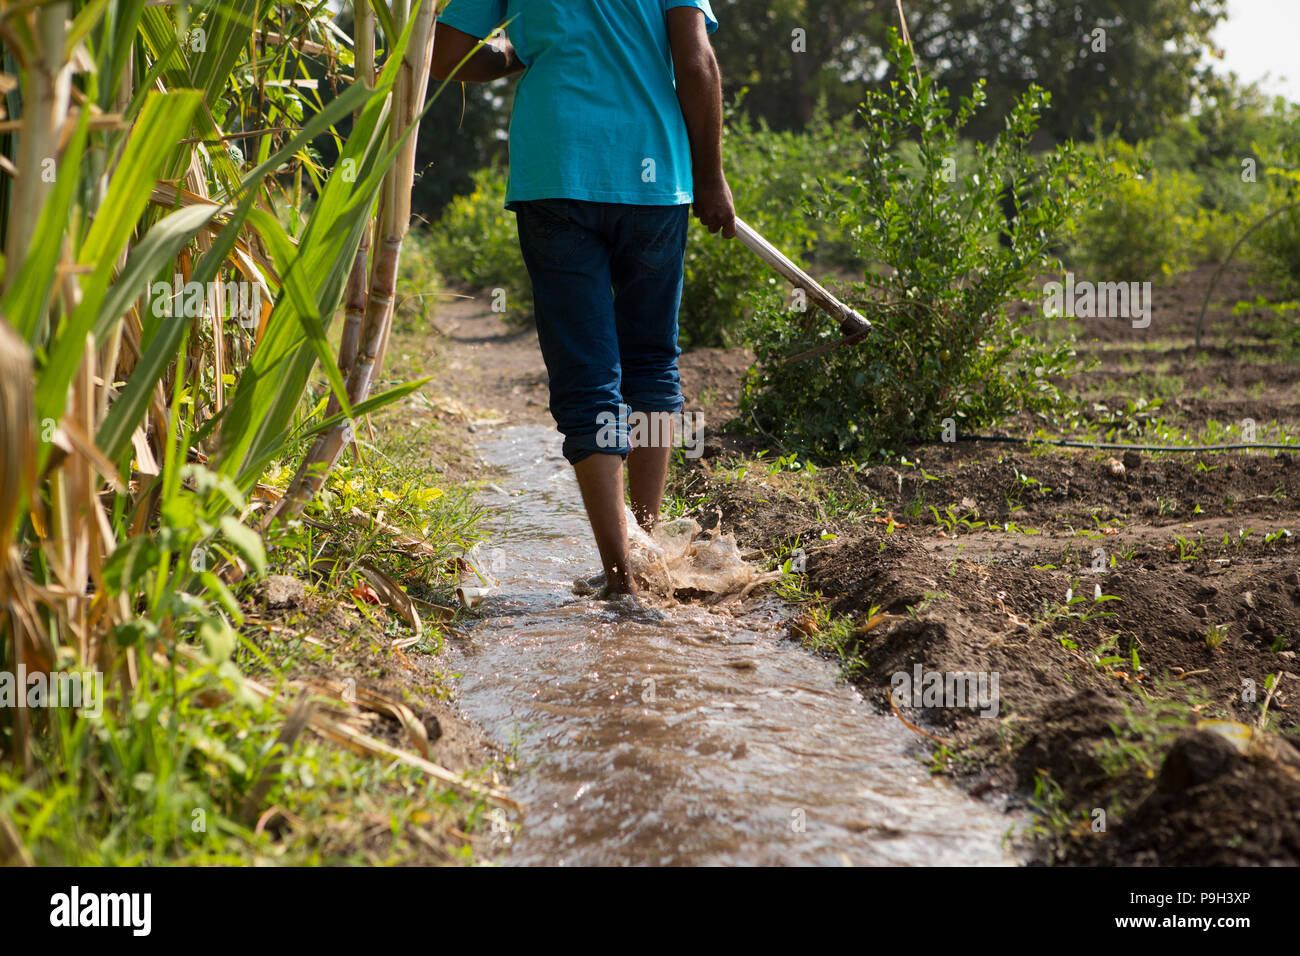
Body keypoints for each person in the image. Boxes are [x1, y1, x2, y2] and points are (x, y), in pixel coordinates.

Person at [431, 0, 735, 602]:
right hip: (655, 180)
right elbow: (695, 60)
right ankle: (649, 552)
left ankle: (621, 576)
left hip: (557, 172)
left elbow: (445, 54)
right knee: (650, 359)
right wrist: (711, 175)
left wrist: (523, 50)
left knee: (588, 375)